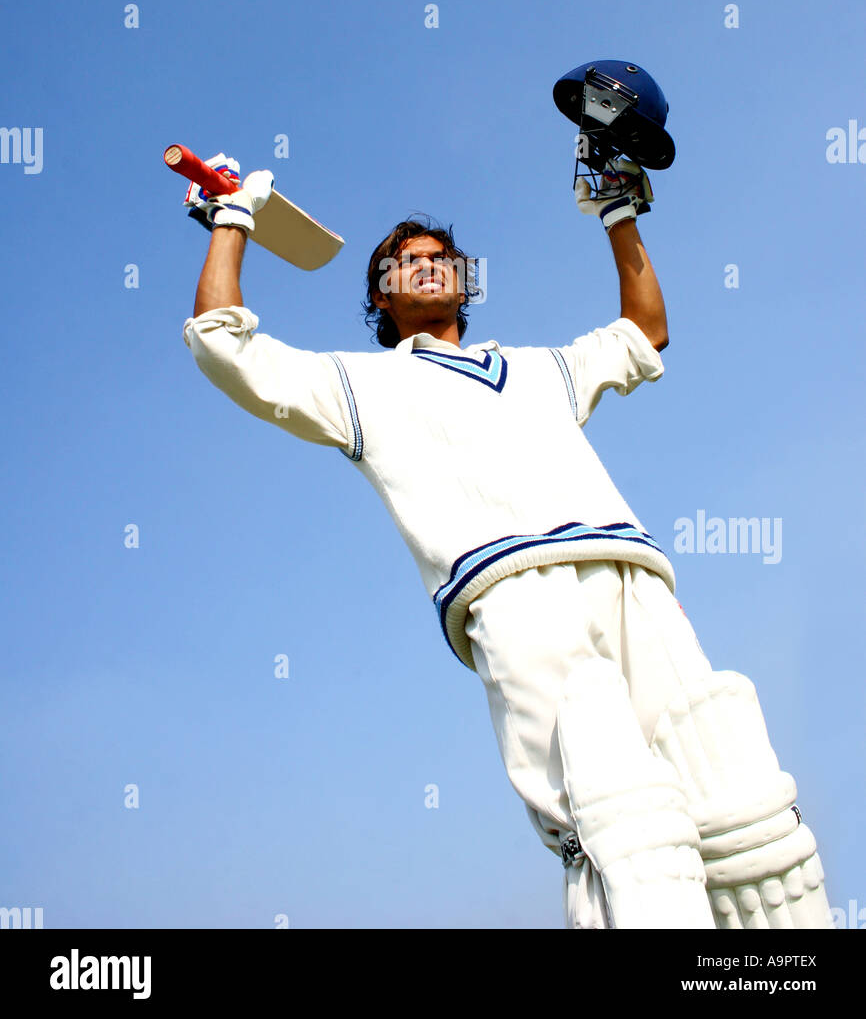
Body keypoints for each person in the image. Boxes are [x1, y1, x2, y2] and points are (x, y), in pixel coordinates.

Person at [180, 153, 833, 930]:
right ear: (381, 298)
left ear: (465, 279)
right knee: (621, 831)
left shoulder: (538, 369)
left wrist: (620, 211)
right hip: (511, 597)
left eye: (439, 259)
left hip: (632, 578)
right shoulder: (360, 387)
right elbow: (225, 346)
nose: (426, 269)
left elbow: (645, 331)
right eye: (405, 264)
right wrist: (231, 220)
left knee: (737, 802)